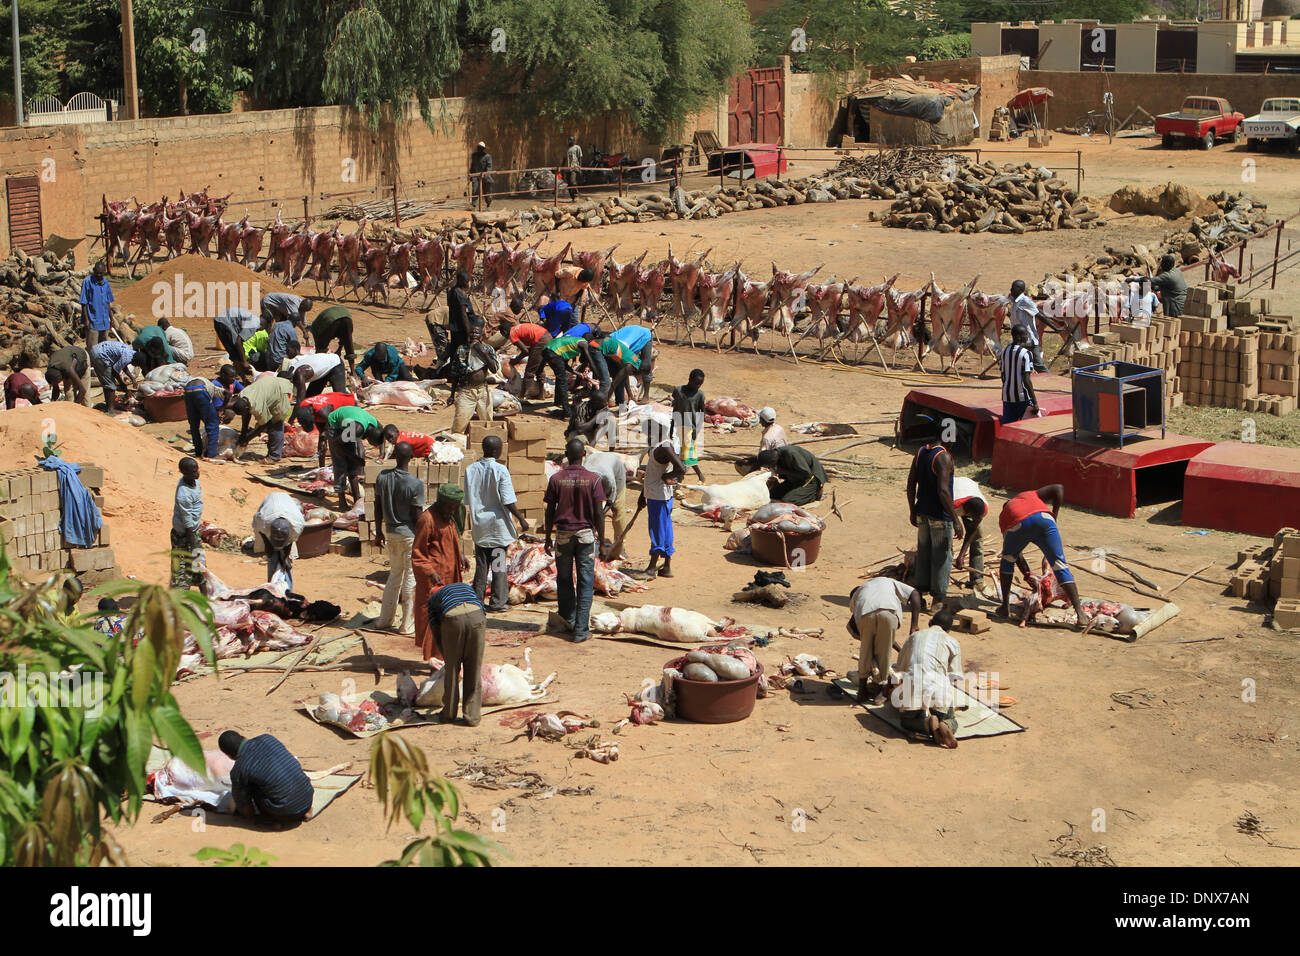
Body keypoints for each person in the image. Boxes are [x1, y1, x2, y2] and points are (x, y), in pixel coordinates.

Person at [995, 483, 1090, 627]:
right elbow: (1059, 488)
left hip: (1018, 524)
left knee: (1007, 561)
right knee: (1060, 565)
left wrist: (1026, 573)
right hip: (1045, 520)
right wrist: (1055, 516)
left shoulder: (1005, 516)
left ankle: (1004, 607)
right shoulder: (1027, 494)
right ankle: (1080, 615)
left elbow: (1016, 555)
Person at [544, 437, 607, 643]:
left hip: (563, 535)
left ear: (566, 454)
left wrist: (547, 537)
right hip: (586, 536)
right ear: (583, 455)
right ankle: (581, 629)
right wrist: (603, 540)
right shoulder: (594, 479)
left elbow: (549, 511)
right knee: (585, 581)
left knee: (563, 579)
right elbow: (599, 513)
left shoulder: (556, 479)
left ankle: (568, 621)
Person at [464, 435, 528, 612]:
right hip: (498, 528)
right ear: (495, 450)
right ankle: (498, 603)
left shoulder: (470, 470)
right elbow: (507, 500)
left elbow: (469, 499)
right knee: (499, 567)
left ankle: (476, 601)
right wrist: (520, 518)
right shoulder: (500, 470)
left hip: (480, 526)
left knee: (481, 567)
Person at [374, 442, 427, 636]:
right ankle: (406, 624)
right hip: (409, 535)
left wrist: (378, 531)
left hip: (390, 533)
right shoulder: (414, 484)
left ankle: (384, 620)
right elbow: (417, 515)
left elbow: (377, 505)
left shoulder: (383, 477)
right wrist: (426, 535)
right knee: (410, 578)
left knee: (394, 575)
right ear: (412, 457)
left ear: (395, 456)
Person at [892, 607, 962, 750]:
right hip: (938, 687)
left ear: (930, 622)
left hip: (913, 685)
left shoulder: (914, 636)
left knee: (906, 720)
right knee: (951, 718)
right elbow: (954, 675)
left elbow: (900, 668)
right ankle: (946, 724)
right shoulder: (952, 642)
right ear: (948, 630)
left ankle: (927, 723)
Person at [412, 483, 468, 660]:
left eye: (454, 507)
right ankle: (435, 661)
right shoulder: (427, 520)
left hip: (450, 576)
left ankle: (447, 656)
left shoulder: (449, 517)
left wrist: (460, 555)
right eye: (449, 507)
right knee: (434, 620)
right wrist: (430, 571)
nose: (452, 510)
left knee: (450, 616)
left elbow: (450, 539)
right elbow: (418, 553)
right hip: (435, 581)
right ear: (441, 503)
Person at [906, 439, 964, 609]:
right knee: (942, 557)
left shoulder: (921, 452)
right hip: (940, 516)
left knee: (923, 554)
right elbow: (943, 491)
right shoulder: (943, 457)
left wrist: (912, 510)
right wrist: (955, 519)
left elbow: (910, 484)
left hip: (922, 513)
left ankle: (919, 598)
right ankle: (937, 601)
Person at [848, 576, 922, 701]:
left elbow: (854, 625)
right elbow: (914, 594)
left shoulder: (858, 596)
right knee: (884, 653)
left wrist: (867, 643)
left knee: (865, 650)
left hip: (865, 614)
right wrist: (914, 625)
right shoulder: (886, 582)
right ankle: (879, 692)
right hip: (889, 611)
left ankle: (862, 690)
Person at [428, 580, 487, 726]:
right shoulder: (464, 587)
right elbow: (482, 609)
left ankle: (448, 715)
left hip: (453, 618)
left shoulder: (433, 600)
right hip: (477, 616)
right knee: (473, 667)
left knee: (452, 670)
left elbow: (435, 629)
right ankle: (472, 716)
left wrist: (447, 655)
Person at [218, 730, 313, 821]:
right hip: (308, 797)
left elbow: (246, 811)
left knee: (249, 787)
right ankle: (305, 811)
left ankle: (274, 820)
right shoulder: (267, 738)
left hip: (286, 812)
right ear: (243, 737)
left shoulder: (239, 769)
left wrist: (246, 813)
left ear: (229, 756)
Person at [638, 438, 685, 578]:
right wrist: (643, 494)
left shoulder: (664, 446)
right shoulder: (667, 445)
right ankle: (667, 566)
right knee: (665, 529)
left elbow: (681, 468)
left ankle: (652, 568)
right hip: (661, 495)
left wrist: (667, 476)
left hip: (657, 497)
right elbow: (652, 474)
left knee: (657, 531)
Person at [224, 373, 295, 462]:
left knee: (275, 424)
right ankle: (273, 453)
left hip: (280, 390)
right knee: (269, 423)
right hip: (270, 385)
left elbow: (264, 424)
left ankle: (274, 456)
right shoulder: (243, 395)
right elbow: (246, 415)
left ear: (247, 407)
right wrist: (243, 433)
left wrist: (247, 439)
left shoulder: (258, 406)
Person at [326, 404, 382, 510]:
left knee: (352, 466)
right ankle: (342, 502)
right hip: (335, 425)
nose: (374, 446)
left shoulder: (375, 424)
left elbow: (381, 437)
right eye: (373, 443)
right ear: (368, 436)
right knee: (340, 464)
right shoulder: (357, 430)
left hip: (349, 423)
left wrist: (382, 454)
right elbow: (337, 444)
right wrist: (355, 457)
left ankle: (357, 498)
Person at [582, 442, 630, 558]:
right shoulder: (584, 479)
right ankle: (588, 544)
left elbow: (610, 500)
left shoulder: (609, 481)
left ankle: (620, 548)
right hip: (595, 461)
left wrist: (601, 513)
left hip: (617, 472)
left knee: (618, 511)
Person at [252, 491, 306, 590]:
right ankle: (271, 585)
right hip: (270, 503)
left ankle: (288, 589)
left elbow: (291, 542)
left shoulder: (297, 525)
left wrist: (285, 558)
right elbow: (261, 532)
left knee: (288, 561)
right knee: (272, 556)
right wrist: (268, 548)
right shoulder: (263, 520)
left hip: (285, 504)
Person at [542, 334, 601, 418]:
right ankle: (567, 411)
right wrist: (597, 376)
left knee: (560, 378)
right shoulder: (584, 344)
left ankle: (558, 402)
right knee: (562, 380)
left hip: (548, 351)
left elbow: (565, 366)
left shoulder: (572, 347)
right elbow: (590, 361)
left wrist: (579, 374)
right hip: (551, 352)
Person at [450, 340, 499, 434]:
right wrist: (452, 394)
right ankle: (457, 443)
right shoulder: (462, 350)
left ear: (481, 333)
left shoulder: (488, 349)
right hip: (466, 391)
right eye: (472, 332)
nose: (474, 334)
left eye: (477, 332)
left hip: (483, 390)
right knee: (459, 423)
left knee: (487, 423)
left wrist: (483, 353)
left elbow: (494, 369)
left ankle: (486, 443)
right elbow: (455, 373)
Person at [952, 476, 989, 590]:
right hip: (953, 495)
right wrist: (956, 523)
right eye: (974, 517)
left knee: (977, 540)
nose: (975, 520)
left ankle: (976, 580)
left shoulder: (983, 509)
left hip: (969, 489)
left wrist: (961, 555)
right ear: (966, 510)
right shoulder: (954, 504)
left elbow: (972, 531)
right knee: (944, 539)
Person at [171, 457, 203, 590]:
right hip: (184, 535)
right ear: (183, 472)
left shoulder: (195, 482)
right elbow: (187, 519)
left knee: (200, 567)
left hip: (193, 532)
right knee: (182, 570)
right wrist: (192, 542)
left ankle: (206, 601)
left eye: (197, 470)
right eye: (193, 471)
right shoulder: (183, 494)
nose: (197, 473)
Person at [759, 444, 827, 506]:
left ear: (773, 460)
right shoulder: (777, 455)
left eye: (770, 466)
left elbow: (806, 474)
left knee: (787, 501)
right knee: (772, 494)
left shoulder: (791, 454)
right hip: (795, 480)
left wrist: (784, 471)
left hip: (810, 480)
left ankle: (814, 493)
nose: (771, 467)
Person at [670, 369, 706, 482]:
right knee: (683, 452)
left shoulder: (700, 395)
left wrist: (697, 429)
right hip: (678, 426)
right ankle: (694, 474)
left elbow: (702, 413)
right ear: (689, 379)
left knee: (687, 453)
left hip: (690, 428)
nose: (698, 385)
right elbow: (675, 409)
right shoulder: (678, 391)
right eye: (696, 383)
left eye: (700, 383)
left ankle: (683, 477)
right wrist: (671, 428)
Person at [502, 318, 552, 399]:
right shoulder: (517, 328)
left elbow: (525, 351)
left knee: (529, 371)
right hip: (547, 336)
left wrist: (515, 360)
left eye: (503, 335)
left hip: (540, 340)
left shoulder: (512, 334)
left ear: (504, 332)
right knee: (539, 368)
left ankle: (523, 395)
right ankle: (541, 394)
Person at [88, 340, 143, 412]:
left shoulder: (131, 352)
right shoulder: (128, 357)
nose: (135, 366)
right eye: (137, 365)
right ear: (135, 361)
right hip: (100, 355)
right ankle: (111, 409)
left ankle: (109, 405)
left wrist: (132, 379)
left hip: (96, 350)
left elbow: (123, 366)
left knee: (107, 382)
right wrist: (123, 384)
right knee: (111, 384)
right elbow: (115, 371)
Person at [1000, 324, 1039, 424]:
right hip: (1023, 399)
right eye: (1025, 334)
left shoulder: (1005, 352)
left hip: (1007, 397)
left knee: (1008, 427)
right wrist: (1035, 402)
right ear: (1018, 336)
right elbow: (1026, 380)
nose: (1027, 337)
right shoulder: (1026, 353)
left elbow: (1003, 376)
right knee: (1028, 427)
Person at [1008, 279, 1047, 373]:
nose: (1010, 290)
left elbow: (1038, 314)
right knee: (1020, 364)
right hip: (1018, 341)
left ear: (1019, 289)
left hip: (1029, 340)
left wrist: (1055, 327)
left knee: (1039, 365)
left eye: (1013, 288)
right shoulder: (1014, 301)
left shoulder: (1025, 301)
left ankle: (1051, 382)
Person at [213, 307, 260, 379]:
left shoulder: (255, 320)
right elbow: (238, 341)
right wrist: (244, 361)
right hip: (225, 323)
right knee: (236, 353)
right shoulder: (254, 325)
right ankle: (242, 379)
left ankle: (242, 378)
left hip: (220, 321)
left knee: (235, 354)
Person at [183, 376, 224, 459]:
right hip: (200, 389)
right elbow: (228, 394)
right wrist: (223, 409)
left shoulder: (211, 386)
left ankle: (198, 451)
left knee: (194, 424)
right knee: (213, 422)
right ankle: (212, 453)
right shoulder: (217, 389)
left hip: (188, 390)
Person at [310, 305, 357, 376]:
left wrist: (320, 351)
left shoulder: (314, 328)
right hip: (346, 317)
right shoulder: (318, 323)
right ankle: (353, 371)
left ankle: (320, 370)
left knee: (321, 347)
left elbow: (319, 346)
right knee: (348, 341)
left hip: (331, 320)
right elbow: (344, 337)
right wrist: (339, 349)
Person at [79, 260, 114, 352]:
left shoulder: (106, 283)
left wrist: (111, 318)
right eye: (97, 273)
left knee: (104, 348)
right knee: (93, 349)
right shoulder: (87, 282)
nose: (99, 275)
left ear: (104, 272)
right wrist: (86, 320)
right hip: (93, 321)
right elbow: (84, 302)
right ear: (94, 271)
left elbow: (108, 302)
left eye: (101, 273)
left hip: (104, 322)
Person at [447, 269, 481, 359]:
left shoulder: (452, 292)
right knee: (463, 350)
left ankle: (452, 367)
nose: (467, 284)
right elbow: (463, 314)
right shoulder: (460, 295)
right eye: (466, 282)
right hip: (461, 328)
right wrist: (468, 331)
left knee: (454, 348)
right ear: (460, 281)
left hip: (454, 326)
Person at [609, 323, 654, 389]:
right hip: (627, 338)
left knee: (646, 364)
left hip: (645, 335)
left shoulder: (622, 351)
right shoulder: (610, 344)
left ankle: (646, 395)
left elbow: (625, 369)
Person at [470, 141, 495, 210]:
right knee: (475, 190)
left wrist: (486, 174)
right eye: (478, 148)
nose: (479, 149)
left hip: (485, 176)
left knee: (487, 190)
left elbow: (489, 166)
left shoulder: (487, 157)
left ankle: (488, 205)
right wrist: (471, 174)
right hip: (476, 175)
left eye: (481, 148)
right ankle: (473, 205)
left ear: (483, 149)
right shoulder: (474, 155)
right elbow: (472, 165)